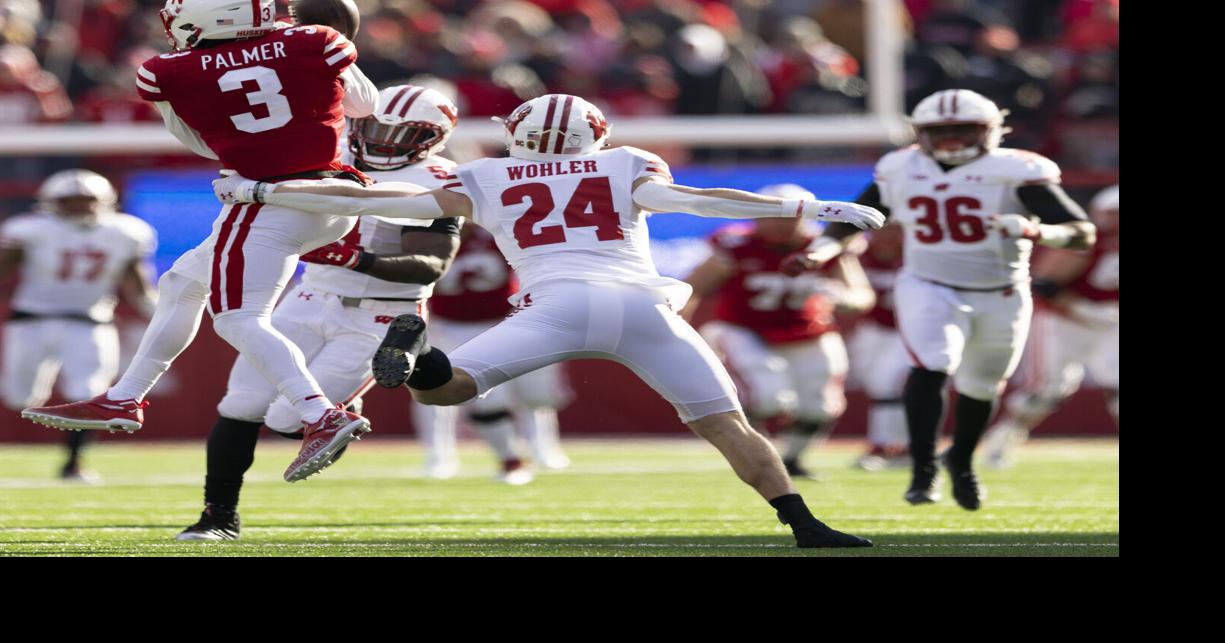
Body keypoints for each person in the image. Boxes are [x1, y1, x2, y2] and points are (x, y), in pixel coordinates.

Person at [214, 93, 885, 548]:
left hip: (553, 304)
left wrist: (263, 190)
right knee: (725, 425)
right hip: (639, 305)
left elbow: (405, 201)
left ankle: (414, 353)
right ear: (597, 135)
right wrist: (815, 207)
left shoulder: (489, 175)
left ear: (518, 134)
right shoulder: (624, 165)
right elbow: (694, 200)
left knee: (441, 390)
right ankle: (802, 523)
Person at [21, 0, 383, 484]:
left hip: (264, 202)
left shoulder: (168, 70)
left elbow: (199, 142)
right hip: (331, 196)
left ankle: (319, 413)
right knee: (181, 284)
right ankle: (127, 395)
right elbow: (366, 107)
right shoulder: (315, 40)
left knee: (238, 318)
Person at [176, 84, 464, 540]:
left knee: (288, 422)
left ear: (432, 139)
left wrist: (355, 259)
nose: (384, 141)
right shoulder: (328, 151)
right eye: (376, 127)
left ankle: (418, 352)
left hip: (384, 315)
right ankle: (218, 516)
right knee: (242, 403)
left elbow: (432, 262)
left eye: (401, 132)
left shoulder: (439, 179)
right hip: (308, 298)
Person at [785, 89, 1095, 510]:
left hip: (1001, 290)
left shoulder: (1015, 169)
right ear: (920, 132)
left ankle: (962, 461)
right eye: (940, 130)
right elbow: (856, 218)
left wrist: (1035, 231)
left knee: (981, 386)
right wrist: (819, 253)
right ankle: (922, 468)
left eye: (962, 129)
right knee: (932, 363)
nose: (950, 138)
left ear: (991, 131)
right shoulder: (900, 166)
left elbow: (1081, 233)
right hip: (928, 283)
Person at [682, 183, 875, 480]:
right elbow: (692, 288)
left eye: (788, 216)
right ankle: (752, 455)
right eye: (771, 215)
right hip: (743, 329)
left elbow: (861, 295)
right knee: (769, 396)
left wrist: (844, 299)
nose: (779, 223)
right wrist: (680, 329)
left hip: (809, 331)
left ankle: (793, 461)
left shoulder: (823, 248)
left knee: (821, 406)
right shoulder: (735, 245)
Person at [0, 170, 157, 482]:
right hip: (32, 319)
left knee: (89, 392)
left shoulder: (126, 231)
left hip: (90, 320)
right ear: (51, 203)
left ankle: (73, 464)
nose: (79, 207)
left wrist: (154, 310)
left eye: (86, 201)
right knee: (19, 397)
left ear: (105, 202)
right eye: (70, 201)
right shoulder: (30, 230)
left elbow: (136, 281)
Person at [416, 224, 571, 483]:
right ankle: (495, 458)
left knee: (537, 394)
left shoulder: (496, 233)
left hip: (504, 319)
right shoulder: (425, 237)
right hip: (448, 324)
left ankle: (542, 446)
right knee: (463, 394)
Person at [982, 184, 1118, 468]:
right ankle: (1004, 437)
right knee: (1047, 391)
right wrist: (1085, 310)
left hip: (1110, 324)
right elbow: (1046, 285)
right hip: (1064, 321)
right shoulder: (1092, 242)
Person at [845, 223, 912, 471]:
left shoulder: (917, 253)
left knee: (891, 384)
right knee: (878, 386)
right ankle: (898, 446)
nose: (888, 235)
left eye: (895, 228)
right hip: (873, 329)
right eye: (883, 228)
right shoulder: (859, 252)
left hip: (910, 330)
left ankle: (886, 446)